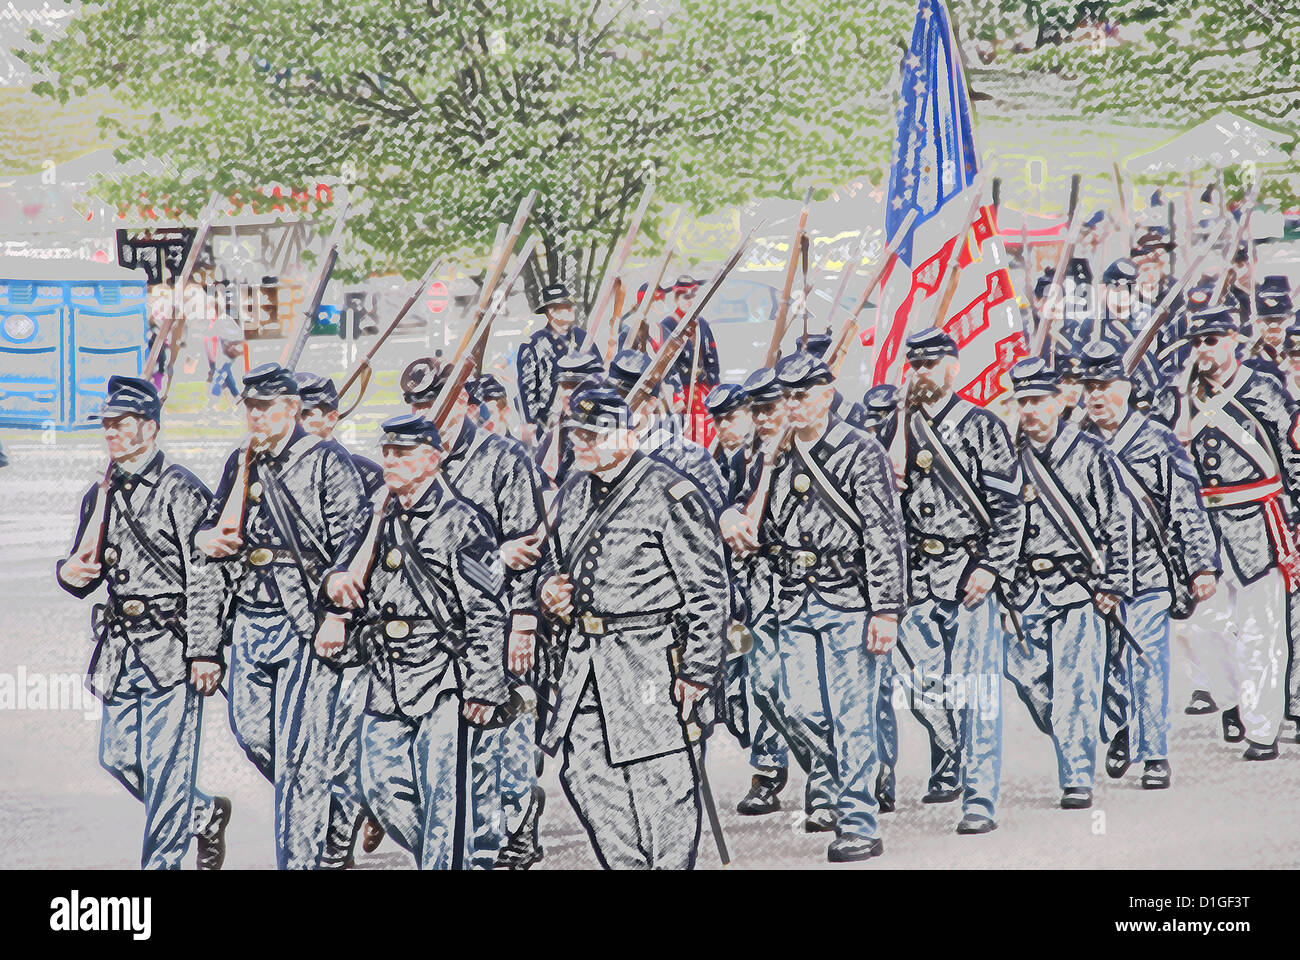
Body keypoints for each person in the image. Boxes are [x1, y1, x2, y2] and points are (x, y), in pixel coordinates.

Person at [537, 388, 729, 869]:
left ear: (626, 436)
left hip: (649, 654)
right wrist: (548, 591)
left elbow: (708, 589)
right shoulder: (574, 490)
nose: (581, 443)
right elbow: (551, 562)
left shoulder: (670, 492)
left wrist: (700, 671)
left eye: (593, 434)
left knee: (662, 777)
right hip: (585, 660)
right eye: (576, 434)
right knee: (584, 774)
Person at [195, 363, 368, 868]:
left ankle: (301, 860)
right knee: (252, 731)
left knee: (298, 757)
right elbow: (213, 527)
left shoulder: (328, 461)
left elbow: (351, 541)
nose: (254, 416)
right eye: (249, 407)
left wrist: (336, 614)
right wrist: (208, 537)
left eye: (264, 407)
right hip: (250, 612)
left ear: (291, 408)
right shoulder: (241, 461)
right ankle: (332, 802)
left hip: (304, 617)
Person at [736, 352, 906, 862]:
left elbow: (883, 533)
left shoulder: (860, 450)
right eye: (785, 397)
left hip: (848, 597)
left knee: (854, 715)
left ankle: (857, 819)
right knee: (797, 707)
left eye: (802, 396)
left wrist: (887, 609)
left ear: (827, 395)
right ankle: (839, 782)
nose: (792, 406)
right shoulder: (770, 453)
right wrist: (732, 512)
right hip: (793, 597)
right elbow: (746, 507)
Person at [56, 376, 231, 869]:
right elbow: (83, 569)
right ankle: (202, 814)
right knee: (119, 757)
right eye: (107, 424)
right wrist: (67, 572)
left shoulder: (180, 489)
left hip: (171, 649)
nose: (110, 432)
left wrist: (204, 650)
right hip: (120, 650)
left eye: (121, 424)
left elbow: (206, 576)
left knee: (167, 768)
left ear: (149, 429)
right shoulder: (102, 492)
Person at [325, 414, 510, 869]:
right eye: (386, 452)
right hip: (386, 672)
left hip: (442, 673)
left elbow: (487, 609)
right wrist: (333, 588)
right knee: (379, 785)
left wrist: (484, 687)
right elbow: (341, 567)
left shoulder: (462, 522)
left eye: (403, 453)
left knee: (444, 796)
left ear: (432, 459)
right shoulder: (374, 515)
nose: (390, 460)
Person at [402, 357, 550, 869]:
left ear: (464, 402)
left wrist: (524, 621)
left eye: (437, 405)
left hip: (498, 617)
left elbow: (530, 544)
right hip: (438, 631)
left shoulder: (503, 460)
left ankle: (505, 830)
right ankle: (486, 831)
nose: (429, 415)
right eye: (420, 406)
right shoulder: (412, 462)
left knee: (496, 738)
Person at [1152, 307, 1300, 760]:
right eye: (1197, 342)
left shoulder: (1264, 388)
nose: (1203, 350)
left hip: (1259, 517)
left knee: (1262, 630)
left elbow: (1291, 453)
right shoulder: (1177, 395)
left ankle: (1261, 729)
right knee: (1198, 629)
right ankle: (1233, 698)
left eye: (1212, 340)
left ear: (1233, 339)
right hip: (1201, 525)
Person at [894, 329, 1025, 834]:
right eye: (915, 364)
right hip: (916, 579)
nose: (922, 373)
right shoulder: (897, 427)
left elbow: (1009, 508)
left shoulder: (982, 426)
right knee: (925, 688)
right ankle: (952, 756)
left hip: (969, 574)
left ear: (953, 366)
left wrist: (992, 567)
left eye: (932, 363)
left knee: (977, 690)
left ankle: (979, 798)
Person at [1077, 342, 1219, 790]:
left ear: (1124, 387)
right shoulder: (1075, 442)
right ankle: (1121, 723)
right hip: (1095, 577)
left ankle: (1154, 753)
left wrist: (1201, 565)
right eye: (1089, 387)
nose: (1095, 396)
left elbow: (1186, 504)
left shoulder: (1155, 438)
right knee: (1098, 666)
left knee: (1147, 662)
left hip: (1148, 572)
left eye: (1104, 386)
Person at [1003, 358, 1133, 810]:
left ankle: (1076, 776)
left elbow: (1118, 520)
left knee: (1075, 685)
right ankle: (1116, 713)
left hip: (1078, 586)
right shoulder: (1008, 457)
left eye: (1039, 400)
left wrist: (1113, 582)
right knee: (1027, 678)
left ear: (1060, 401)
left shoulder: (1091, 453)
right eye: (1023, 401)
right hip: (1024, 589)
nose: (1031, 409)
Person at [294, 372, 385, 864]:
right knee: (298, 750)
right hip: (297, 631)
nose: (302, 424)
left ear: (331, 420)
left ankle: (335, 844)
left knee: (344, 742)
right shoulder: (275, 472)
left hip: (353, 631)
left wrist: (342, 613)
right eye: (297, 414)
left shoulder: (371, 476)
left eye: (311, 415)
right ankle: (351, 808)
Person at [517, 283, 587, 439]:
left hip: (582, 418)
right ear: (550, 312)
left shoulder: (583, 338)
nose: (570, 309)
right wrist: (530, 423)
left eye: (570, 305)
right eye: (564, 306)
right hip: (549, 423)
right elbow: (527, 388)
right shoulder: (533, 345)